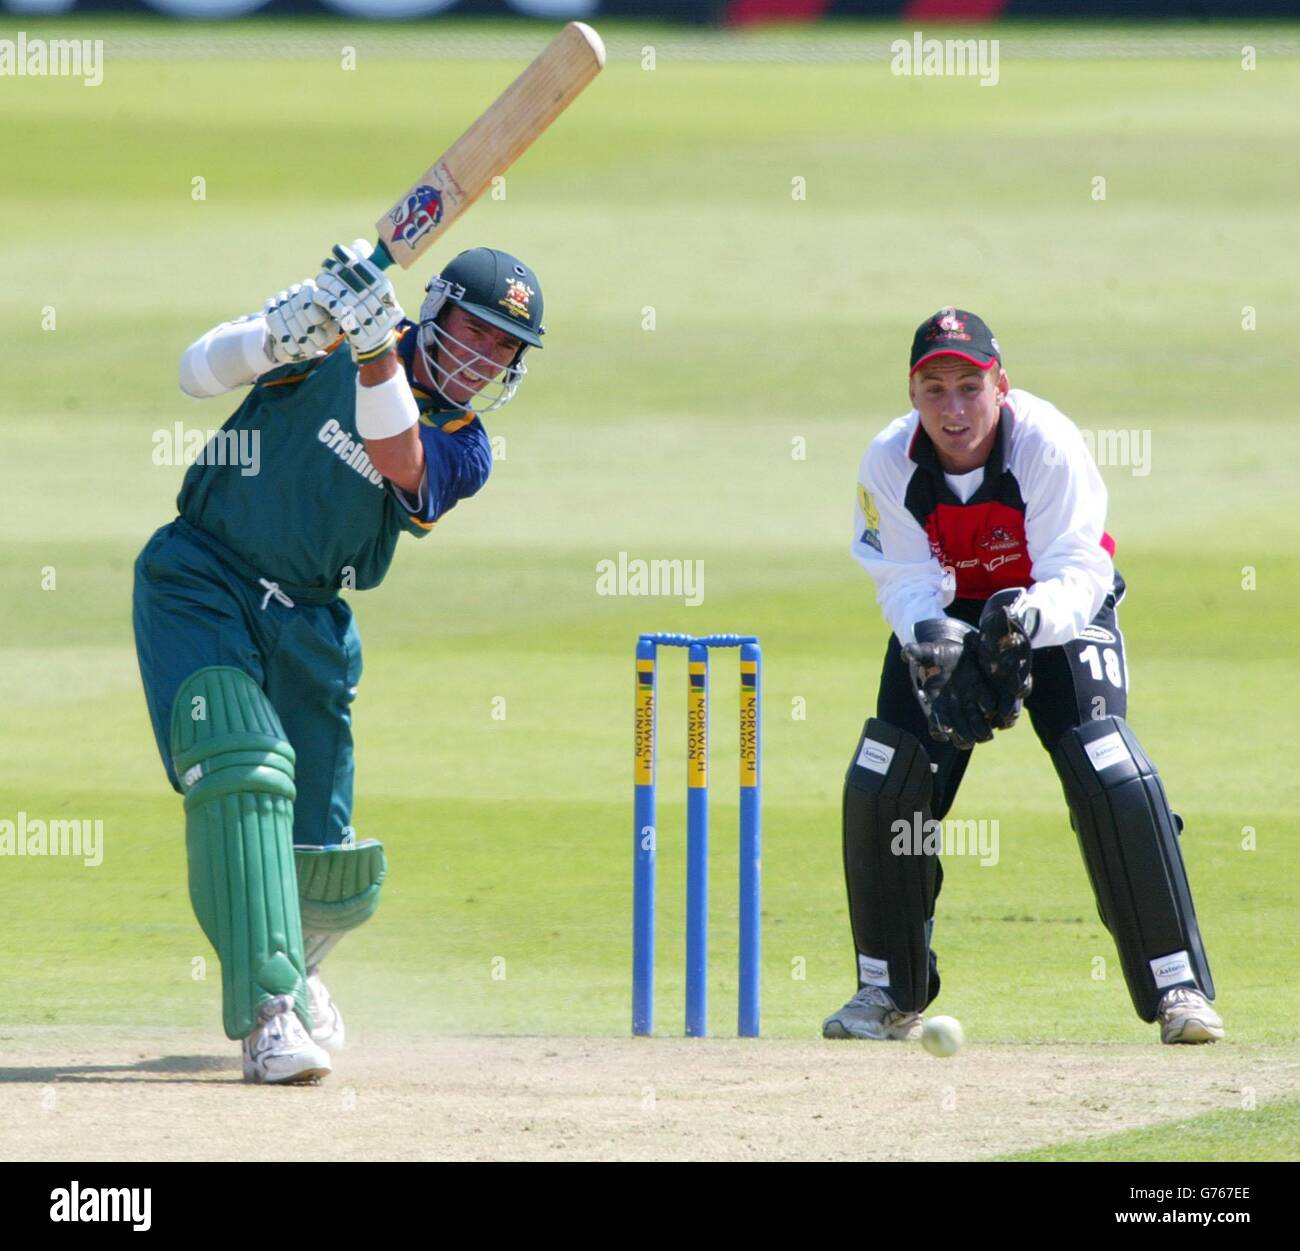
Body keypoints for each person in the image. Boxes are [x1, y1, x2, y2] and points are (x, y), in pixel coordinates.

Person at [133, 241, 544, 1083]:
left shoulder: (467, 444)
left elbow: (401, 459)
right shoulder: (334, 334)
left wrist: (370, 348)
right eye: (478, 329)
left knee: (327, 870)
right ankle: (269, 1015)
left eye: (506, 347)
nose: (485, 357)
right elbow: (193, 372)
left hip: (313, 620)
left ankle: (298, 961)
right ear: (435, 310)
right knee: (243, 774)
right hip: (203, 578)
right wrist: (275, 337)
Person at [824, 307, 1223, 1046]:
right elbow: (900, 575)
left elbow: (1079, 569)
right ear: (913, 395)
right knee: (886, 777)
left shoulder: (1045, 441)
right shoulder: (889, 459)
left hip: (1055, 610)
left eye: (968, 386)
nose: (953, 408)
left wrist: (1022, 625)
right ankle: (886, 991)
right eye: (934, 388)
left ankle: (1179, 988)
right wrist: (935, 640)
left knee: (1109, 770)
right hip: (949, 614)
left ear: (999, 385)